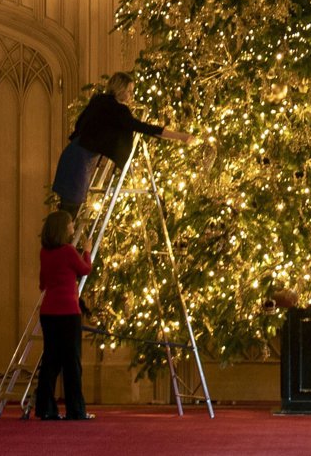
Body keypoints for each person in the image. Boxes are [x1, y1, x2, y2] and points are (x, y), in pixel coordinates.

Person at [51, 72, 195, 218]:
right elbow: (143, 128)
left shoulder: (98, 101)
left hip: (71, 153)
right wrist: (180, 137)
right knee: (69, 215)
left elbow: (79, 124)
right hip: (80, 162)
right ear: (119, 89)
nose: (131, 95)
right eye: (129, 91)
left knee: (65, 211)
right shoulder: (118, 109)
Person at [35, 209, 93, 421]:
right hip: (68, 312)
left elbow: (42, 282)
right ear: (62, 228)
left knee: (51, 361)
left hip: (48, 312)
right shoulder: (68, 251)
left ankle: (46, 408)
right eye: (69, 225)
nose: (72, 228)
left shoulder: (45, 252)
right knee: (72, 363)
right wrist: (87, 250)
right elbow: (85, 269)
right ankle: (75, 409)